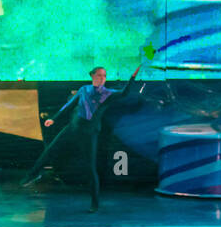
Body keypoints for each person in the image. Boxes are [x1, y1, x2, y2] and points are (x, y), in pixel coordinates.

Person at [23, 63, 141, 212]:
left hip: (89, 133)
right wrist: (54, 119)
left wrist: (133, 76)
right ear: (92, 76)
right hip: (72, 128)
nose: (102, 78)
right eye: (99, 75)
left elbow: (124, 93)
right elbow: (69, 105)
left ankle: (95, 203)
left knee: (90, 168)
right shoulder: (84, 89)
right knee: (51, 150)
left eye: (104, 76)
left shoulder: (108, 93)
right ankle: (31, 175)